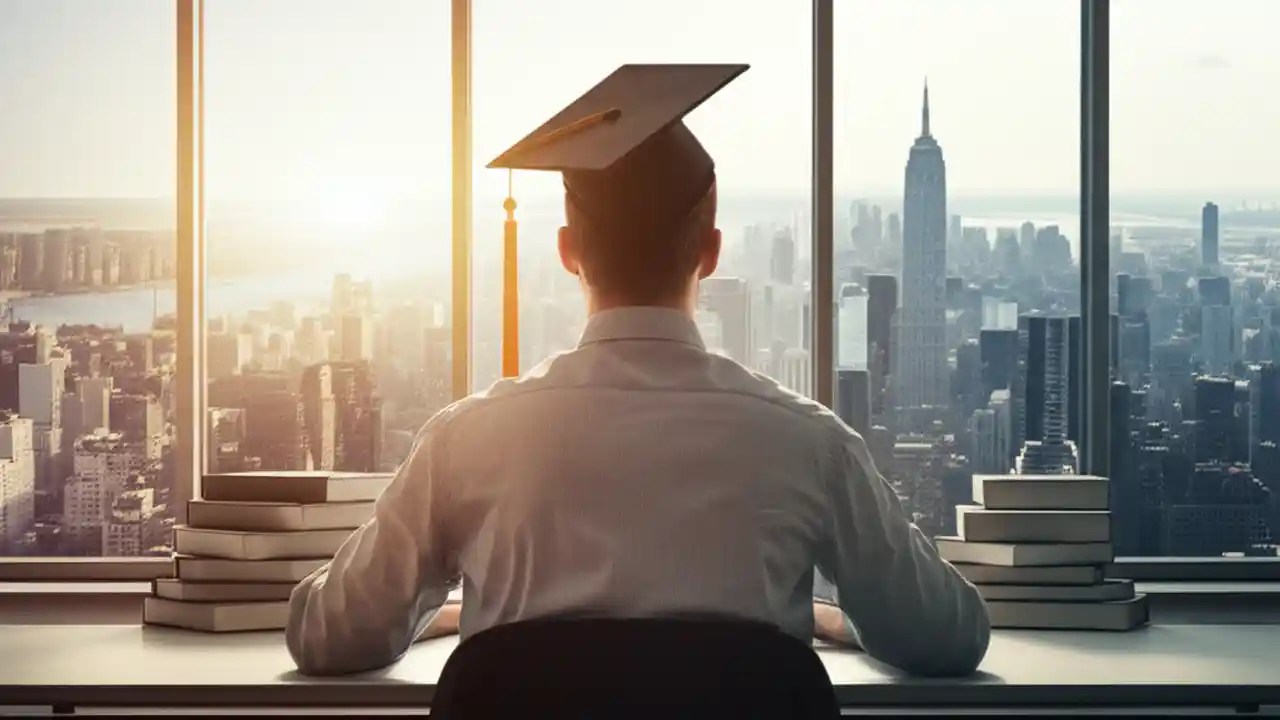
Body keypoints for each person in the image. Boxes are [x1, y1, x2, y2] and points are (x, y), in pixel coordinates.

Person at [286, 63, 989, 678]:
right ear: (711, 252)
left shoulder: (463, 443)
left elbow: (327, 637)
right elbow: (948, 637)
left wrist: (446, 610)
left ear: (567, 251)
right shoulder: (812, 445)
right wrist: (833, 618)